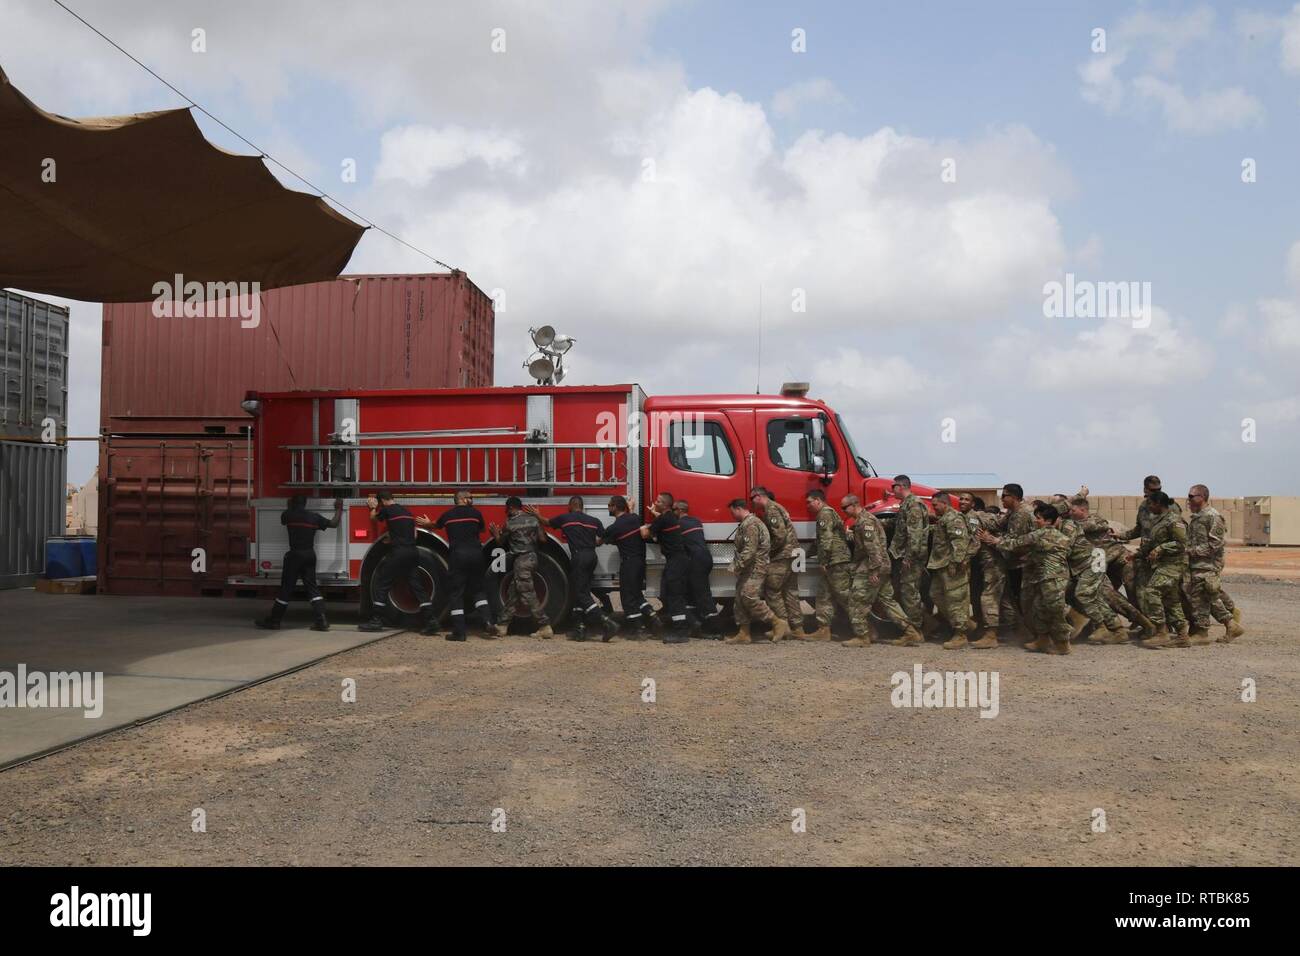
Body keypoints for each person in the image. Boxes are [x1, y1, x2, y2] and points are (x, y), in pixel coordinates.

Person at [979, 502, 1073, 655]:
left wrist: (994, 540)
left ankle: (1063, 644)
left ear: (1048, 521)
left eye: (1039, 518)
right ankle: (1042, 640)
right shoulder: (1062, 537)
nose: (1036, 521)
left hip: (1053, 579)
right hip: (1048, 578)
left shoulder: (1040, 533)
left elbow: (1016, 543)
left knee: (1054, 611)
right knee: (1038, 608)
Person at [840, 495, 919, 647]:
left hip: (871, 567)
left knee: (856, 600)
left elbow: (873, 549)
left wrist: (873, 572)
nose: (843, 511)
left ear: (854, 504)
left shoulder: (865, 521)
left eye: (844, 507)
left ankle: (863, 636)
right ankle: (911, 632)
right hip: (881, 566)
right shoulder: (864, 520)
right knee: (887, 601)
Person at [256, 495, 343, 632]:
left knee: (286, 589)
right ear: (305, 503)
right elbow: (334, 524)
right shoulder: (314, 517)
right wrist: (338, 508)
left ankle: (274, 621)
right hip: (310, 555)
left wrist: (290, 505)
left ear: (292, 503)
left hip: (294, 556)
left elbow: (284, 519)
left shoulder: (288, 515)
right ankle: (322, 621)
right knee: (312, 588)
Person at [360, 491, 436, 635]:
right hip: (412, 551)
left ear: (382, 500)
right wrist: (395, 537)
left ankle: (376, 620)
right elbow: (414, 534)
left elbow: (374, 519)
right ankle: (431, 620)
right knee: (417, 586)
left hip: (398, 553)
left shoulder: (387, 510)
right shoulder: (406, 512)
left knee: (382, 583)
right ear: (393, 498)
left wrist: (372, 508)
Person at [543, 497, 618, 642]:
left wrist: (536, 514)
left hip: (579, 557)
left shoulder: (566, 518)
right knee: (582, 590)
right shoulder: (593, 520)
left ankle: (607, 623)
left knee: (580, 593)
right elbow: (604, 536)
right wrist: (596, 542)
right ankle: (580, 629)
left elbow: (547, 522)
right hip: (591, 557)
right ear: (582, 507)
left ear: (571, 506)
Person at [1059, 496, 1130, 645]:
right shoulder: (1072, 524)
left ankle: (1147, 626)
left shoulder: (1095, 520)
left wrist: (1065, 522)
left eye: (1073, 510)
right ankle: (1108, 628)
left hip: (1112, 560)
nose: (1070, 513)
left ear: (1083, 510)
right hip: (1098, 563)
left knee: (1109, 597)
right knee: (1099, 596)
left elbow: (1092, 526)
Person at [421, 490, 490, 642]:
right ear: (463, 499)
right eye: (470, 498)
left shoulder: (447, 515)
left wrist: (427, 523)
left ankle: (459, 632)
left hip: (458, 557)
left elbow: (436, 525)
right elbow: (482, 529)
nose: (472, 500)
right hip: (476, 555)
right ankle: (488, 622)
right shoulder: (476, 514)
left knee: (456, 593)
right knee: (479, 590)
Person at [1184, 484, 1245, 644]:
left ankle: (1202, 632)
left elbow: (1215, 544)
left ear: (1202, 497)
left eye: (1191, 496)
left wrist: (1190, 551)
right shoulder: (1197, 517)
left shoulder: (1213, 516)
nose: (1188, 500)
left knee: (1201, 596)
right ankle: (1231, 624)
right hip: (1197, 564)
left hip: (1208, 564)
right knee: (1208, 596)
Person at [1129, 491, 1189, 649]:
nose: (1148, 507)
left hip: (1174, 564)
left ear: (1158, 504)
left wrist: (1162, 547)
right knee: (1171, 598)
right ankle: (1183, 636)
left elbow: (1182, 544)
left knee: (1152, 591)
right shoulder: (1156, 520)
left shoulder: (1174, 520)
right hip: (1163, 564)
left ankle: (1161, 632)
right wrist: (1137, 555)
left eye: (1150, 503)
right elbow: (1150, 543)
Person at [725, 499, 788, 644]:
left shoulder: (751, 524)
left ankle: (777, 622)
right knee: (740, 599)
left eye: (732, 511)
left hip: (755, 567)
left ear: (738, 508)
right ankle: (744, 633)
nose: (732, 515)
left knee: (749, 596)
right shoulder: (748, 523)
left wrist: (736, 566)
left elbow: (750, 550)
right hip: (749, 568)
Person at [490, 497, 553, 640]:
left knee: (528, 594)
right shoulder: (533, 520)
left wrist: (495, 534)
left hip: (521, 560)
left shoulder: (510, 523)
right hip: (532, 558)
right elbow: (543, 540)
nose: (506, 511)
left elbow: (500, 542)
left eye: (507, 508)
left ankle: (545, 626)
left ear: (511, 507)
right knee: (513, 591)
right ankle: (502, 625)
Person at [804, 489, 857, 643]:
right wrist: (805, 554)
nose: (807, 506)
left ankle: (867, 629)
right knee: (823, 595)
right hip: (833, 561)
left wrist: (823, 561)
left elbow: (826, 540)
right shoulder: (825, 514)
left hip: (836, 561)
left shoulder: (825, 514)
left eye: (809, 502)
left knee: (844, 597)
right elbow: (819, 541)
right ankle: (823, 630)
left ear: (818, 501)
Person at [750, 487, 803, 639]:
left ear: (758, 496)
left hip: (782, 555)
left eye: (752, 499)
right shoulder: (777, 507)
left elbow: (779, 535)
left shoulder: (771, 509)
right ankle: (798, 628)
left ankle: (782, 625)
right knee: (790, 591)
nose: (752, 503)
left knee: (772, 589)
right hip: (793, 553)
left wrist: (768, 551)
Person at [602, 495, 656, 637]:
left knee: (627, 597)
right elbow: (633, 521)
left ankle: (638, 629)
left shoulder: (613, 528)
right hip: (640, 562)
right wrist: (631, 508)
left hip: (628, 564)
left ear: (614, 507)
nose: (608, 507)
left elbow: (600, 541)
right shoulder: (636, 518)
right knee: (637, 594)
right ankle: (653, 617)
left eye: (609, 505)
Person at [928, 492, 975, 648]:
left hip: (951, 566)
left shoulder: (954, 518)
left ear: (944, 503)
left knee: (956, 600)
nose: (933, 508)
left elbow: (960, 542)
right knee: (935, 594)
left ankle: (960, 635)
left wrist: (956, 563)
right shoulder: (944, 519)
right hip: (941, 564)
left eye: (935, 505)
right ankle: (965, 623)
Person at [643, 491, 690, 643]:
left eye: (657, 501)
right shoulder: (670, 517)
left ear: (664, 505)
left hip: (675, 561)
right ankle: (689, 623)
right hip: (678, 561)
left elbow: (645, 534)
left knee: (675, 596)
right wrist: (655, 514)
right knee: (668, 593)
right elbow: (662, 521)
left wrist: (634, 518)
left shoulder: (664, 519)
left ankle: (681, 632)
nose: (655, 502)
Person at [887, 475, 930, 633]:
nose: (892, 490)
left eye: (893, 487)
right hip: (904, 555)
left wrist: (909, 557)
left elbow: (915, 535)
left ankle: (916, 630)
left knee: (909, 593)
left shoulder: (913, 505)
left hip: (911, 558)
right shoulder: (906, 504)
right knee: (907, 591)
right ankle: (926, 625)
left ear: (901, 486)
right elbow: (899, 526)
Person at [959, 492, 1002, 648]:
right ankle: (982, 629)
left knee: (988, 598)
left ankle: (991, 636)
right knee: (977, 596)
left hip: (990, 563)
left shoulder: (972, 518)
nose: (962, 501)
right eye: (961, 499)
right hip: (981, 564)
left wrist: (965, 558)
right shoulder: (965, 517)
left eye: (966, 500)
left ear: (973, 504)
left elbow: (976, 542)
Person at [674, 499, 722, 637]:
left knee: (702, 593)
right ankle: (696, 623)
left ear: (680, 510)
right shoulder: (696, 521)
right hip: (706, 558)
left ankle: (715, 627)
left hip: (696, 560)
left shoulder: (679, 524)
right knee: (691, 591)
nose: (672, 512)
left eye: (674, 510)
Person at [995, 483, 1035, 643]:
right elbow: (998, 525)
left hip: (1024, 564)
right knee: (1018, 600)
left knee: (1025, 601)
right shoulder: (1013, 512)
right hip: (1016, 563)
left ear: (1014, 497)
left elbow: (1017, 542)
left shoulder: (1022, 514)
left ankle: (1035, 634)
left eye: (1004, 495)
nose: (1002, 499)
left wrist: (995, 540)